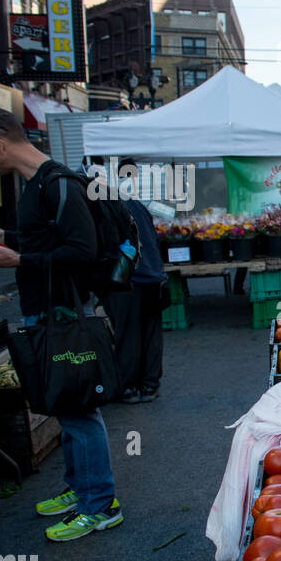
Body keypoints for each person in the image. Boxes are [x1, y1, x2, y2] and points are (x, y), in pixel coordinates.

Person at [0, 107, 122, 541]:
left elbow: (83, 251)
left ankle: (101, 505)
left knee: (79, 409)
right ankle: (79, 490)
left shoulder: (59, 183)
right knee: (65, 405)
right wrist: (10, 238)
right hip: (46, 311)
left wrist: (21, 259)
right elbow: (49, 240)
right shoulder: (35, 186)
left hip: (64, 312)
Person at [104, 167, 167, 404]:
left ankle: (129, 386)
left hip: (128, 279)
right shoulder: (135, 204)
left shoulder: (107, 208)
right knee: (150, 333)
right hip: (152, 276)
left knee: (128, 333)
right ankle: (150, 385)